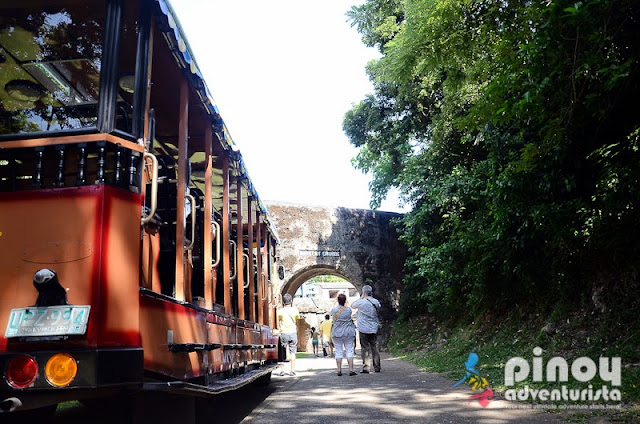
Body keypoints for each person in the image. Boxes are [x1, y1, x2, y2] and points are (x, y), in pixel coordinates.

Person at [351, 284, 381, 373]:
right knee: (374, 347)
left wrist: (361, 298)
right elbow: (378, 309)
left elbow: (353, 305)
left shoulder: (361, 302)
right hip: (374, 328)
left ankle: (366, 367)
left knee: (365, 348)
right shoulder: (376, 302)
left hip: (363, 328)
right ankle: (377, 367)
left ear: (363, 293)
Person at [330, 293, 357, 376]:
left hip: (337, 332)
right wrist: (346, 303)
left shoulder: (334, 310)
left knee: (338, 351)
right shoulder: (348, 310)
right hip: (348, 332)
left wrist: (334, 303)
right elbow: (349, 309)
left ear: (337, 300)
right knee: (349, 350)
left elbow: (331, 313)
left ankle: (339, 370)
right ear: (345, 301)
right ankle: (351, 369)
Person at [276, 293, 300, 376]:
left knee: (282, 352)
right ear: (291, 301)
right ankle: (292, 370)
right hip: (293, 332)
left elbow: (278, 321)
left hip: (284, 332)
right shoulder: (295, 310)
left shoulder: (280, 311)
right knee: (292, 352)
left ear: (283, 302)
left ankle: (282, 370)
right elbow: (297, 319)